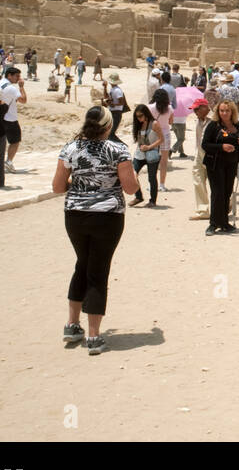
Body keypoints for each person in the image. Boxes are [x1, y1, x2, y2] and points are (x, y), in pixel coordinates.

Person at [52, 106, 138, 355]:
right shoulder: (118, 150)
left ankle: (71, 324)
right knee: (98, 271)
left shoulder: (70, 148)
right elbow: (130, 188)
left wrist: (81, 182)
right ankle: (93, 336)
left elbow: (58, 186)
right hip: (107, 215)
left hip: (75, 215)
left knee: (82, 264)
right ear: (109, 127)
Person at [202, 101, 239, 235]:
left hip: (231, 164)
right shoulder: (213, 126)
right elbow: (205, 145)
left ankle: (224, 223)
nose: (224, 113)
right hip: (215, 165)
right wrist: (221, 147)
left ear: (232, 112)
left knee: (227, 193)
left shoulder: (237, 125)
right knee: (217, 193)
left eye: (227, 111)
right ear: (218, 112)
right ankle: (213, 224)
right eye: (222, 111)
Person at [128, 104, 162, 207]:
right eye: (137, 116)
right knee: (133, 174)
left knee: (151, 178)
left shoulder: (154, 124)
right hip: (139, 153)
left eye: (141, 115)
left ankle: (153, 200)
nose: (139, 118)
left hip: (152, 153)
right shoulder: (138, 125)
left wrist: (149, 147)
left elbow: (161, 139)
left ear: (146, 114)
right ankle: (138, 196)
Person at [0, 66, 28, 173]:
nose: (18, 78)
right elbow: (23, 100)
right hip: (10, 118)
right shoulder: (11, 88)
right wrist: (21, 87)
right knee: (15, 141)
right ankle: (8, 161)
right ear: (9, 75)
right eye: (17, 76)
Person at [187, 98, 212, 222]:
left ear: (205, 108)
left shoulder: (213, 120)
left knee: (216, 184)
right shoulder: (198, 121)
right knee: (198, 181)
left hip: (211, 157)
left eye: (197, 109)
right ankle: (203, 210)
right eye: (194, 110)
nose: (195, 112)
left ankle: (225, 203)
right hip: (199, 156)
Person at [147, 89, 174, 193]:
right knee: (164, 161)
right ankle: (162, 185)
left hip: (153, 134)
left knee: (151, 160)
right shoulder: (170, 108)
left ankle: (151, 184)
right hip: (165, 134)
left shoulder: (150, 108)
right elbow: (171, 122)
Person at [105, 73, 127, 140]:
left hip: (116, 113)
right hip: (112, 112)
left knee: (111, 133)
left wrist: (114, 104)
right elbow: (106, 96)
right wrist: (104, 87)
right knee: (109, 133)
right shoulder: (112, 89)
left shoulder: (117, 90)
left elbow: (122, 102)